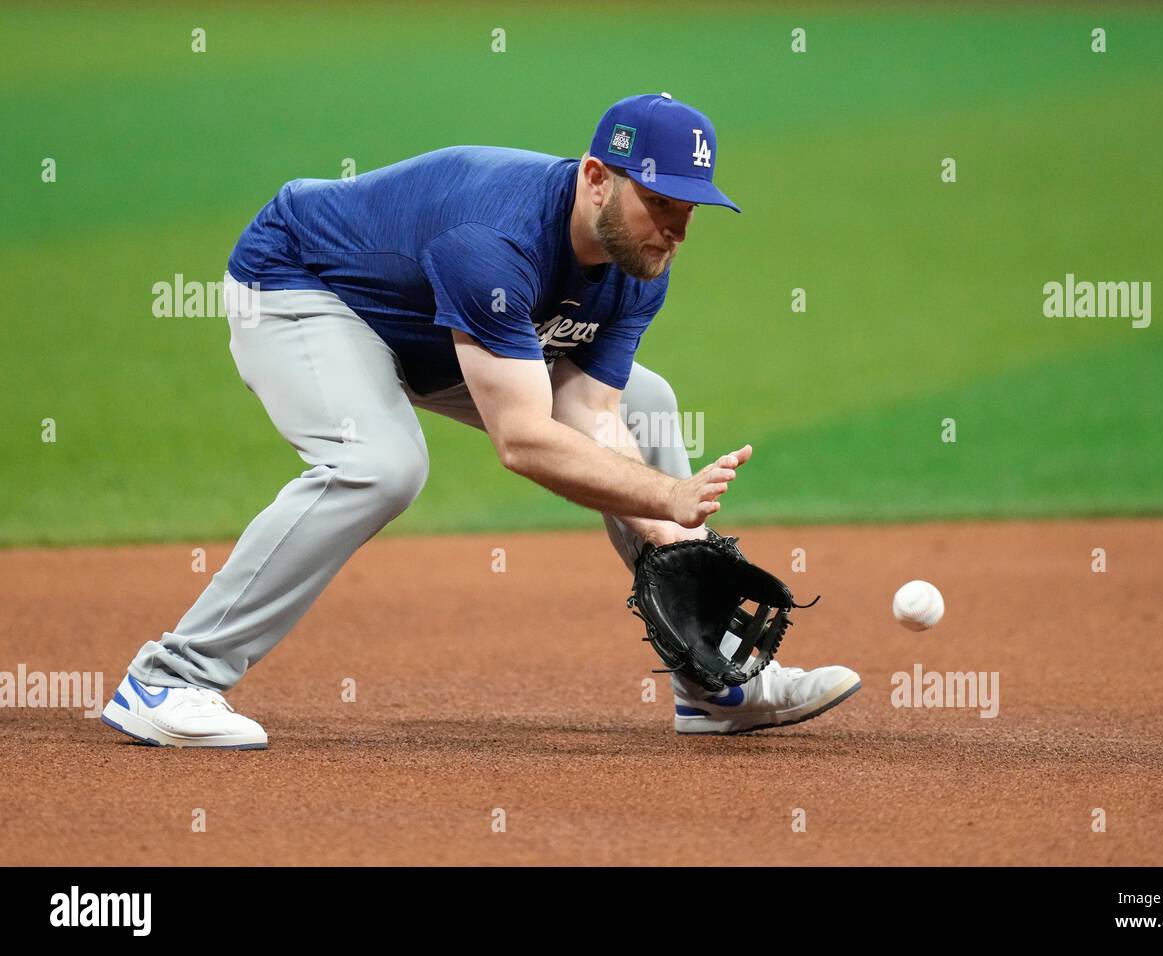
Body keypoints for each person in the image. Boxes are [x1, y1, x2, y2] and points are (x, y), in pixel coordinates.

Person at [100, 93, 860, 748]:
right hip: (306, 285)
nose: (675, 228)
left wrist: (673, 537)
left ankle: (712, 684)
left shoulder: (636, 269)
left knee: (648, 402)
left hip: (437, 328)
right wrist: (664, 499)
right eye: (659, 201)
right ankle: (170, 680)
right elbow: (525, 441)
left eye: (690, 208)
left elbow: (590, 415)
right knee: (379, 464)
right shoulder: (495, 240)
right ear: (596, 177)